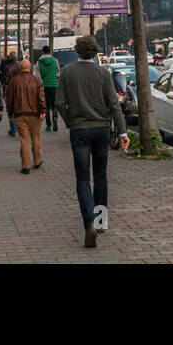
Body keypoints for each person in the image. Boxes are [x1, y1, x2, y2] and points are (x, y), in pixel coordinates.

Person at [57, 34, 128, 248]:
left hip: (79, 130)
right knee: (101, 176)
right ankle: (101, 220)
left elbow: (59, 102)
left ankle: (88, 221)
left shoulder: (67, 72)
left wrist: (70, 121)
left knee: (82, 178)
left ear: (77, 51)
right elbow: (114, 104)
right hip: (101, 129)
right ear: (95, 52)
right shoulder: (103, 73)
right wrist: (123, 133)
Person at [4, 58, 46, 173]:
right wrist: (43, 110)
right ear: (30, 68)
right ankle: (37, 161)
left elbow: (10, 99)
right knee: (36, 138)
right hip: (35, 114)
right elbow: (41, 97)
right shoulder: (37, 80)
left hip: (20, 114)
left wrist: (10, 112)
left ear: (20, 68)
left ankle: (26, 166)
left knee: (24, 140)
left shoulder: (14, 81)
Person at [37, 45, 60, 132]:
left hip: (44, 86)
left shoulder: (39, 62)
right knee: (54, 105)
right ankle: (55, 118)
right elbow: (58, 71)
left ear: (42, 52)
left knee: (45, 106)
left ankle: (48, 125)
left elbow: (37, 76)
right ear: (50, 52)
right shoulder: (55, 60)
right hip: (54, 85)